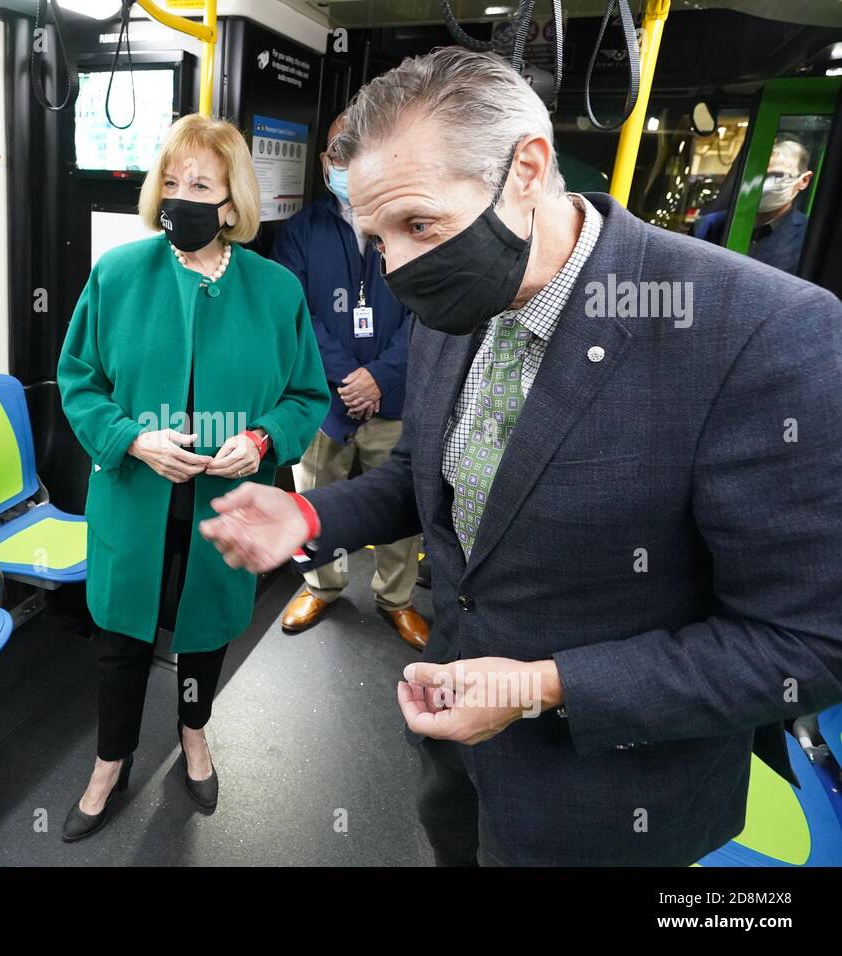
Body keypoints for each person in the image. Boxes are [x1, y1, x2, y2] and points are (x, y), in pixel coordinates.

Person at [199, 47, 842, 866]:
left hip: (608, 799)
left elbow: (807, 644)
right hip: (452, 744)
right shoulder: (452, 298)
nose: (396, 267)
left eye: (419, 225)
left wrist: (541, 688)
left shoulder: (754, 333)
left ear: (527, 170)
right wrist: (309, 511)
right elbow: (431, 473)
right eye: (376, 238)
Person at [56, 113, 329, 842]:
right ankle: (110, 760)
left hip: (225, 501)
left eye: (200, 185)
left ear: (233, 204)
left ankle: (194, 731)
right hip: (135, 494)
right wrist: (131, 440)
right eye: (170, 182)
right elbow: (77, 379)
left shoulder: (276, 293)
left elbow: (306, 395)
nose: (180, 197)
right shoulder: (119, 274)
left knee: (205, 629)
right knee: (118, 634)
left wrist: (263, 439)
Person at [271, 112, 425, 649]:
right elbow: (296, 315)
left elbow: (425, 314)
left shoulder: (412, 226)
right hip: (322, 402)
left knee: (401, 509)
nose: (346, 163)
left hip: (396, 396)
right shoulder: (300, 232)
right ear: (324, 162)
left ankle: (397, 598)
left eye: (358, 152)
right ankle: (323, 586)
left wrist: (379, 377)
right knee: (316, 498)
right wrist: (347, 378)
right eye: (339, 152)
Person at [694, 136, 813, 274]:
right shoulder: (707, 226)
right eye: (758, 175)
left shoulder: (809, 237)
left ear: (803, 180)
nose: (765, 184)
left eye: (777, 175)